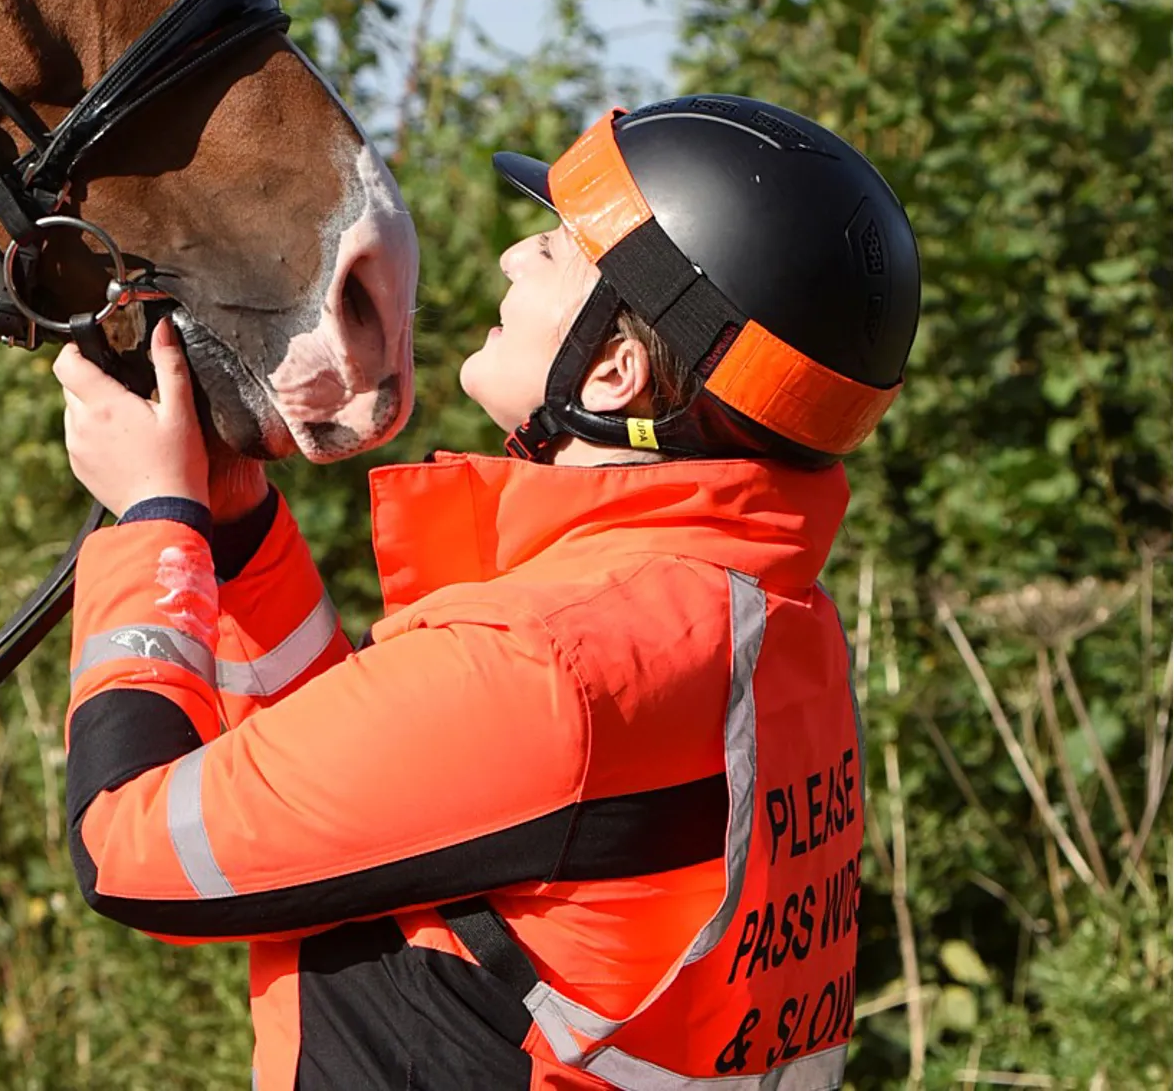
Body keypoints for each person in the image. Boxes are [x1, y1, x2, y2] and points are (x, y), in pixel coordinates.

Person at [55, 95, 919, 1091]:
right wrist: (236, 526)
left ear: (614, 370)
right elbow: (350, 789)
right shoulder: (757, 620)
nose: (514, 256)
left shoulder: (553, 663)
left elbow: (129, 843)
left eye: (559, 247)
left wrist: (156, 522)